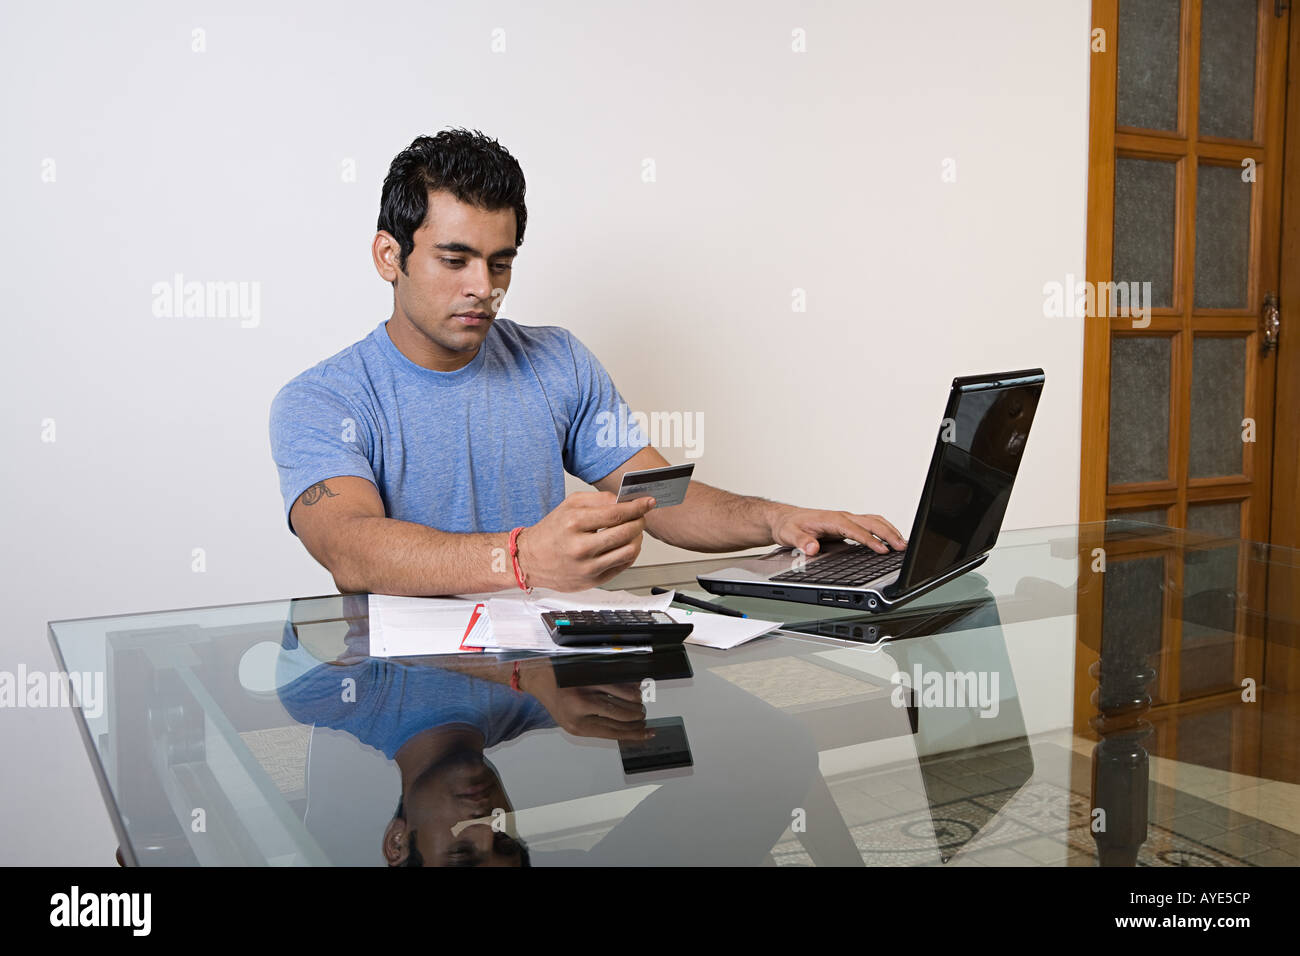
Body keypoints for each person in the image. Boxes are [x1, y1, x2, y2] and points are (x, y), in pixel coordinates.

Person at [269, 129, 906, 597]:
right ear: (390, 256)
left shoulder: (556, 360)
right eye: (454, 259)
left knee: (780, 749)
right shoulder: (324, 399)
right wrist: (520, 560)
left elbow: (659, 497)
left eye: (501, 262)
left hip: (546, 673)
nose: (481, 287)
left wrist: (777, 518)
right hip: (410, 689)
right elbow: (350, 548)